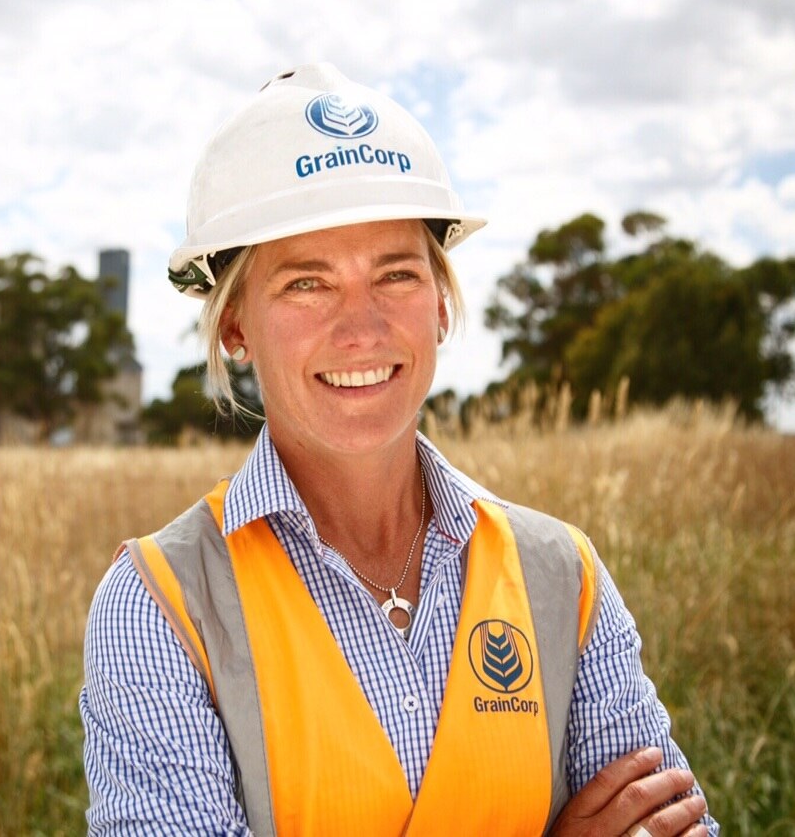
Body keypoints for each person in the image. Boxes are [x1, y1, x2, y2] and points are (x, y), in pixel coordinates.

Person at [80, 63, 717, 836]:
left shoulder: (560, 576)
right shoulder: (162, 608)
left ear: (441, 304)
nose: (362, 328)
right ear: (235, 327)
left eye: (397, 275)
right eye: (307, 285)